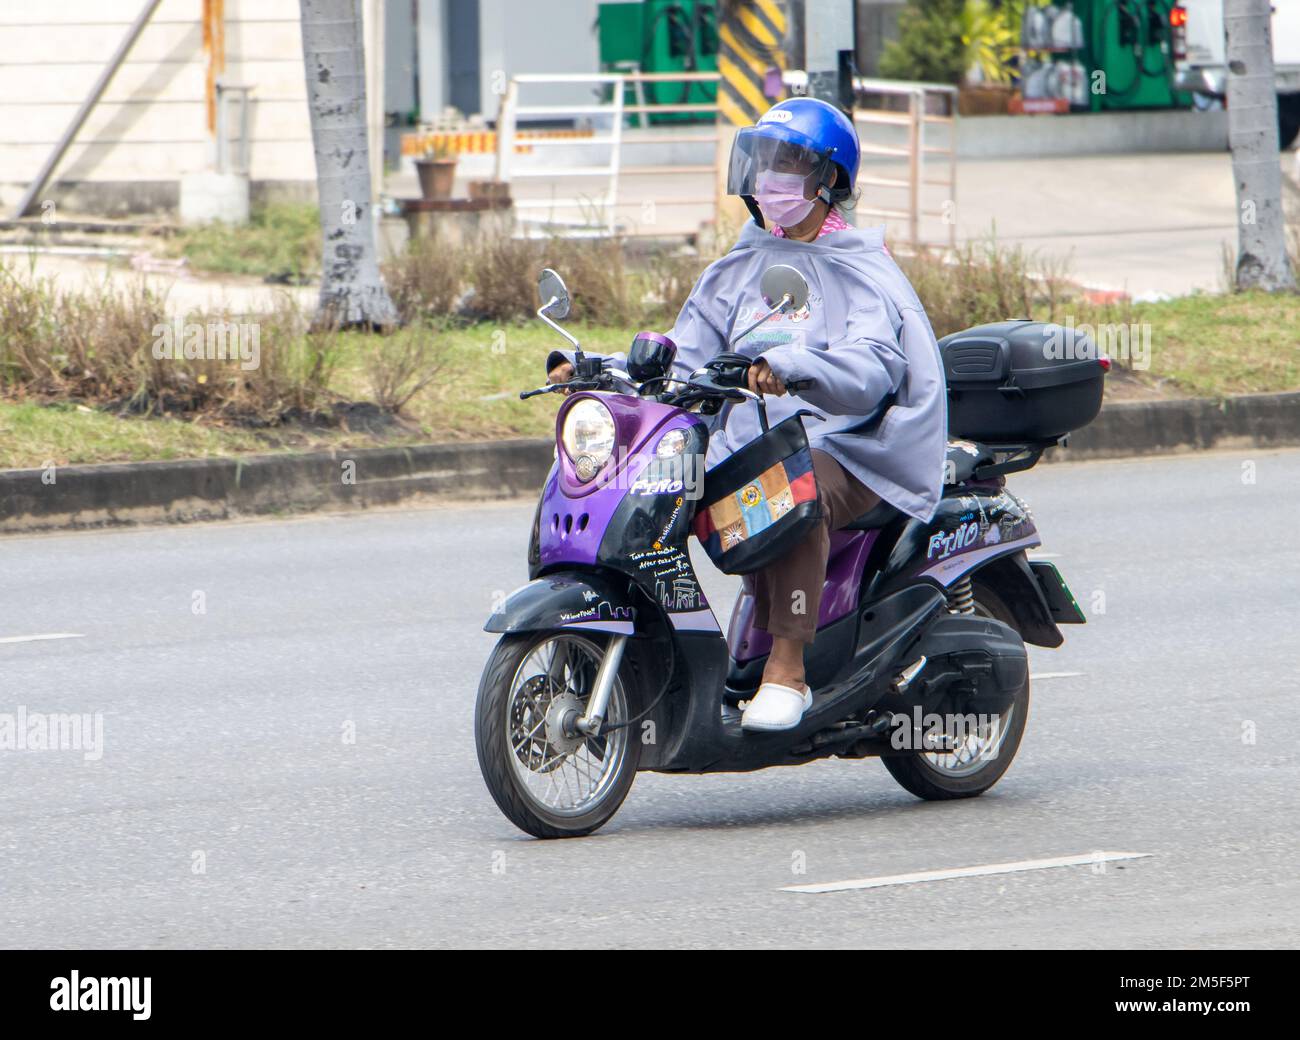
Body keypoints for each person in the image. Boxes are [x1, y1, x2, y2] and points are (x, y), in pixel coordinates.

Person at [547, 96, 947, 732]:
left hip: (854, 445)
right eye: (762, 162)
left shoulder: (863, 272)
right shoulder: (740, 267)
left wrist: (795, 367)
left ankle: (788, 670)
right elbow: (685, 352)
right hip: (760, 442)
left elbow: (873, 371)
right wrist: (600, 365)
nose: (769, 179)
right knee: (665, 489)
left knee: (787, 488)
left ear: (829, 180)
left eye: (787, 163)